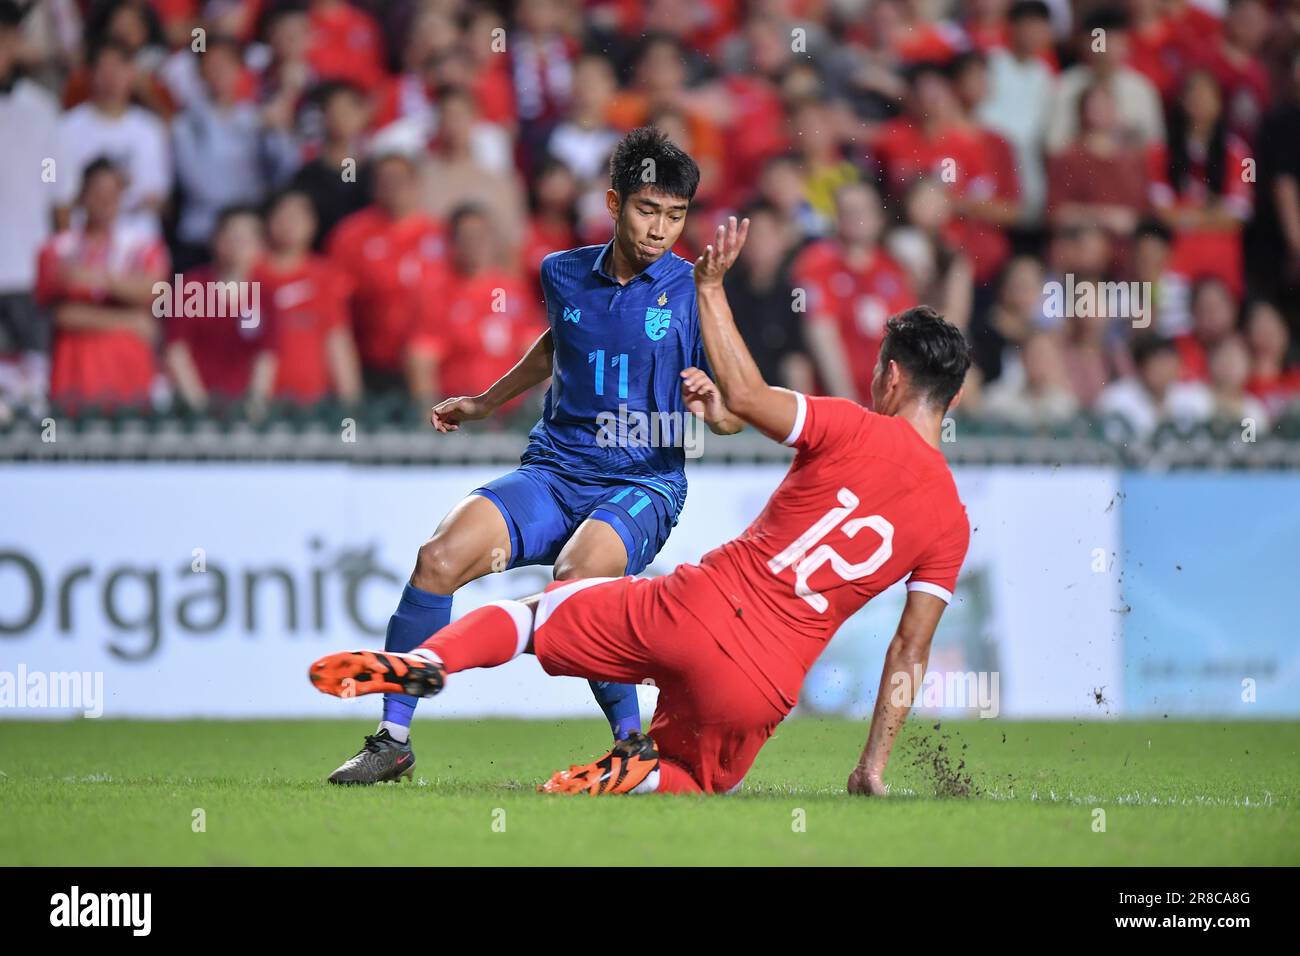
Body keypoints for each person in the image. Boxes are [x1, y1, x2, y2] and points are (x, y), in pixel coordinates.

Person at [309, 216, 973, 798]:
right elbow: (909, 651)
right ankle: (634, 765)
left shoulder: (849, 424)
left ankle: (432, 661)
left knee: (544, 613)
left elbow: (744, 399)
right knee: (700, 776)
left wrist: (712, 303)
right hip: (765, 680)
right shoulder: (949, 522)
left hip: (698, 601)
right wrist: (872, 766)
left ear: (888, 376)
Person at [322, 127, 744, 785]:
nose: (661, 227)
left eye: (676, 213)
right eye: (647, 209)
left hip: (643, 481)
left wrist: (715, 412)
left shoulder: (696, 289)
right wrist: (488, 402)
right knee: (437, 559)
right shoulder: (562, 273)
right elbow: (558, 344)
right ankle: (391, 741)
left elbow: (734, 407)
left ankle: (632, 747)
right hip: (553, 470)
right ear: (613, 201)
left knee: (576, 588)